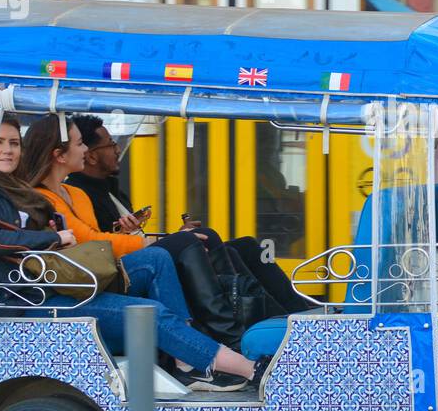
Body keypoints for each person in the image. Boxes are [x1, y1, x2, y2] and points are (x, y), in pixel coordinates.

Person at [15, 113, 265, 391]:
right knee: (178, 249)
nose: (84, 149)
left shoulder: (78, 194)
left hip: (94, 276)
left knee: (165, 255)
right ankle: (227, 348)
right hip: (72, 288)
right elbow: (89, 240)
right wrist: (144, 242)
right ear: (59, 155)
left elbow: (93, 246)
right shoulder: (40, 197)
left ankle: (188, 358)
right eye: (78, 144)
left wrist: (129, 236)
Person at [63, 113, 314, 342]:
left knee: (246, 245)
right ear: (92, 155)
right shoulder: (80, 191)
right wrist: (174, 239)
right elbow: (97, 243)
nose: (117, 149)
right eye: (110, 144)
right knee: (208, 240)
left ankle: (294, 315)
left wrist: (167, 235)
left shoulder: (108, 188)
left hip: (138, 253)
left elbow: (117, 234)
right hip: (129, 266)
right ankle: (258, 330)